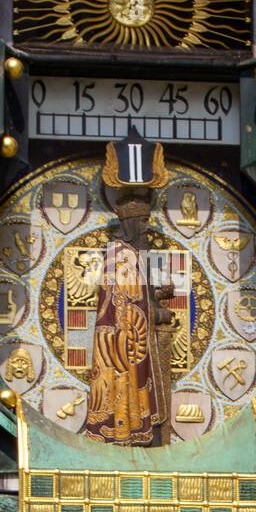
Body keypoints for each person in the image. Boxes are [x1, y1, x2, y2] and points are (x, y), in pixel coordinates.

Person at [83, 132, 174, 447]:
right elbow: (124, 309)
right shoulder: (121, 255)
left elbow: (136, 297)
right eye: (144, 223)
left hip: (132, 345)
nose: (148, 229)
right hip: (122, 351)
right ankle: (125, 432)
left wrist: (156, 295)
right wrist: (157, 310)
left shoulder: (134, 254)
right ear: (131, 222)